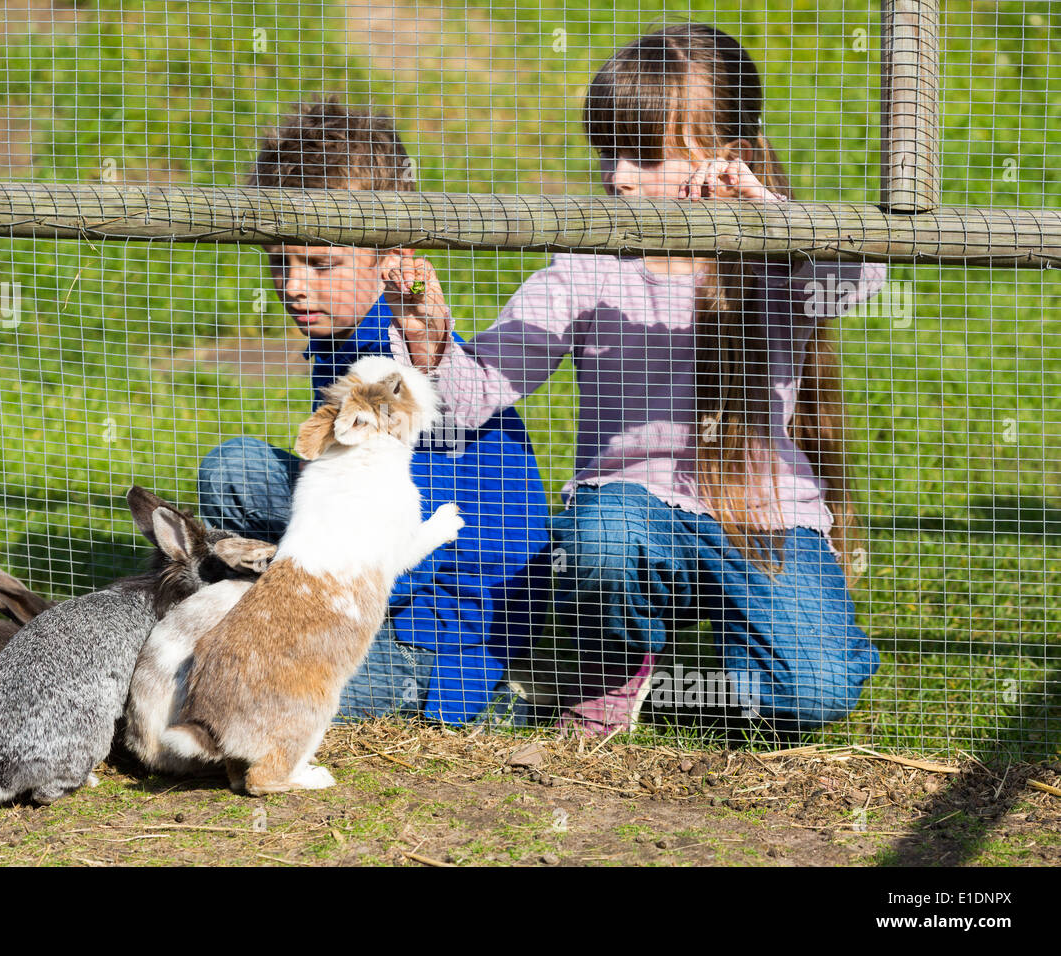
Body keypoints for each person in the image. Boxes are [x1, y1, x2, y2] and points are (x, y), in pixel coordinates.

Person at [380, 24, 885, 738]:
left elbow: (859, 279)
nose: (618, 176)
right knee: (604, 538)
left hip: (764, 517)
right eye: (610, 152)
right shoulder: (590, 264)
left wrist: (768, 216)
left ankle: (734, 669)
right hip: (632, 512)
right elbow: (476, 395)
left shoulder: (778, 263)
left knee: (810, 698)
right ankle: (616, 664)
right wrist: (430, 341)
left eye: (645, 156)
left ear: (725, 157)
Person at [197, 96, 551, 725]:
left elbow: (425, 533)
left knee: (255, 696)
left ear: (389, 257)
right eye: (280, 262)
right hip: (367, 573)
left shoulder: (399, 359)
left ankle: (490, 701)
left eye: (320, 263)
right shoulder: (342, 337)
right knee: (237, 469)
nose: (294, 285)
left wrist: (317, 607)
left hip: (439, 628)